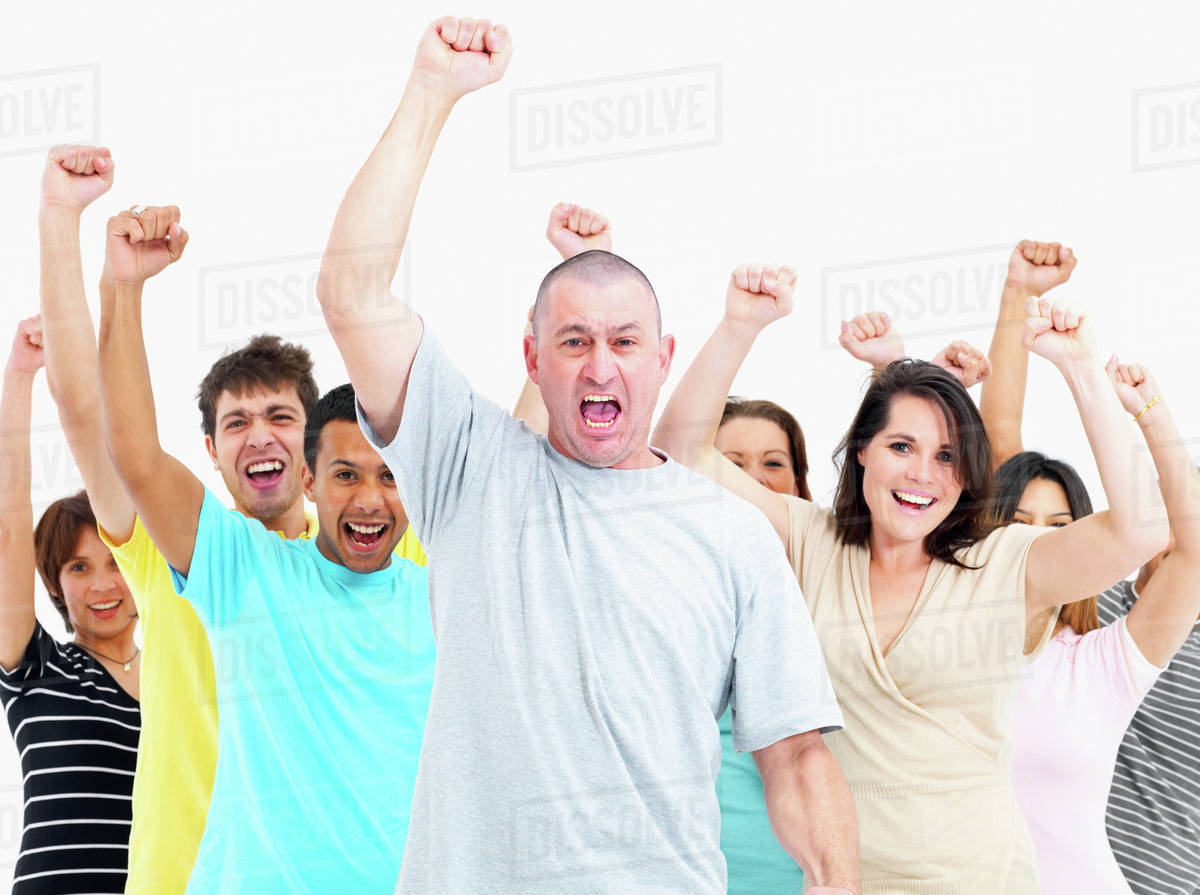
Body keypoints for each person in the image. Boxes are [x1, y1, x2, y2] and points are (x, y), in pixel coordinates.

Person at [316, 17, 858, 895]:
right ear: (533, 360)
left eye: (623, 340)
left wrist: (839, 883)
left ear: (663, 357)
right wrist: (432, 90)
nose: (600, 364)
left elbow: (794, 753)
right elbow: (351, 292)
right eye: (572, 340)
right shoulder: (470, 468)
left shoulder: (730, 534)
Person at [652, 261, 1166, 892]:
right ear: (862, 448)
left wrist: (1082, 369)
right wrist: (740, 326)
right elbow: (678, 454)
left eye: (947, 456)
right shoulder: (812, 542)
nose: (925, 474)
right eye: (902, 447)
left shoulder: (1002, 564)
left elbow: (1141, 532)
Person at [36, 145, 428, 894]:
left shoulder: (385, 555)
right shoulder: (172, 549)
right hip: (185, 876)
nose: (259, 436)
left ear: (313, 450)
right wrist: (65, 224)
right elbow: (90, 411)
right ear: (211, 453)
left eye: (280, 416)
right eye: (236, 423)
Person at [980, 239, 1200, 895]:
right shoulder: (1086, 606)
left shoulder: (1118, 647)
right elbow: (1006, 451)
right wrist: (1019, 296)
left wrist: (1151, 415)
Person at [0, 315, 141, 895]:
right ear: (54, 587)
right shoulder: (39, 668)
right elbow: (10, 528)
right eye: (79, 567)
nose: (104, 584)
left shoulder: (181, 672)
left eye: (115, 562)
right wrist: (19, 379)